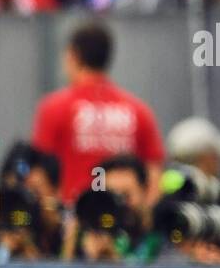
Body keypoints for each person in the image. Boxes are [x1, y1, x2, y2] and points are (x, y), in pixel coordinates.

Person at [31, 21, 166, 204]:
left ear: (73, 55)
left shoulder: (54, 108)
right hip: (124, 219)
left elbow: (40, 175)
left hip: (73, 218)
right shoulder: (138, 111)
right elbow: (154, 179)